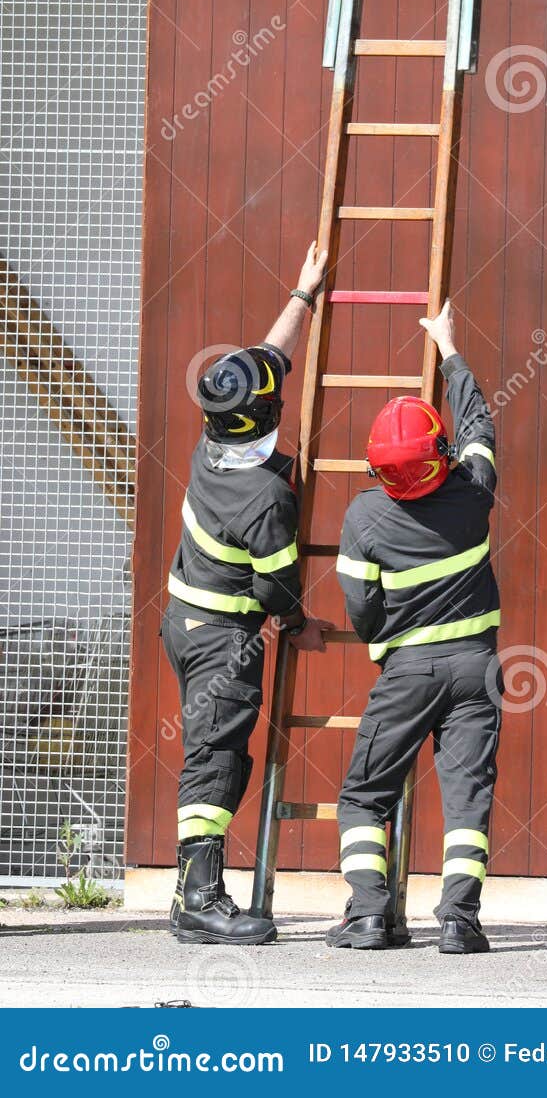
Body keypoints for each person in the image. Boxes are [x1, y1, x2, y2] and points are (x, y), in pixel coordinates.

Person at [162, 241, 332, 946]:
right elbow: (275, 585)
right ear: (263, 418)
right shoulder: (264, 498)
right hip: (220, 641)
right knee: (216, 757)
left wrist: (303, 292)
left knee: (220, 752)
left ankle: (196, 893)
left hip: (186, 622)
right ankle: (196, 902)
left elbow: (270, 352)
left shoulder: (217, 436)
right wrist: (300, 625)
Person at [328, 300, 501, 955]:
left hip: (407, 671)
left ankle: (369, 915)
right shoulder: (475, 489)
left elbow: (360, 606)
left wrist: (384, 644)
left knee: (364, 795)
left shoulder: (364, 517)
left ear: (380, 469)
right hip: (478, 669)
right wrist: (450, 349)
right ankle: (459, 922)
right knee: (466, 798)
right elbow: (481, 422)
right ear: (442, 454)